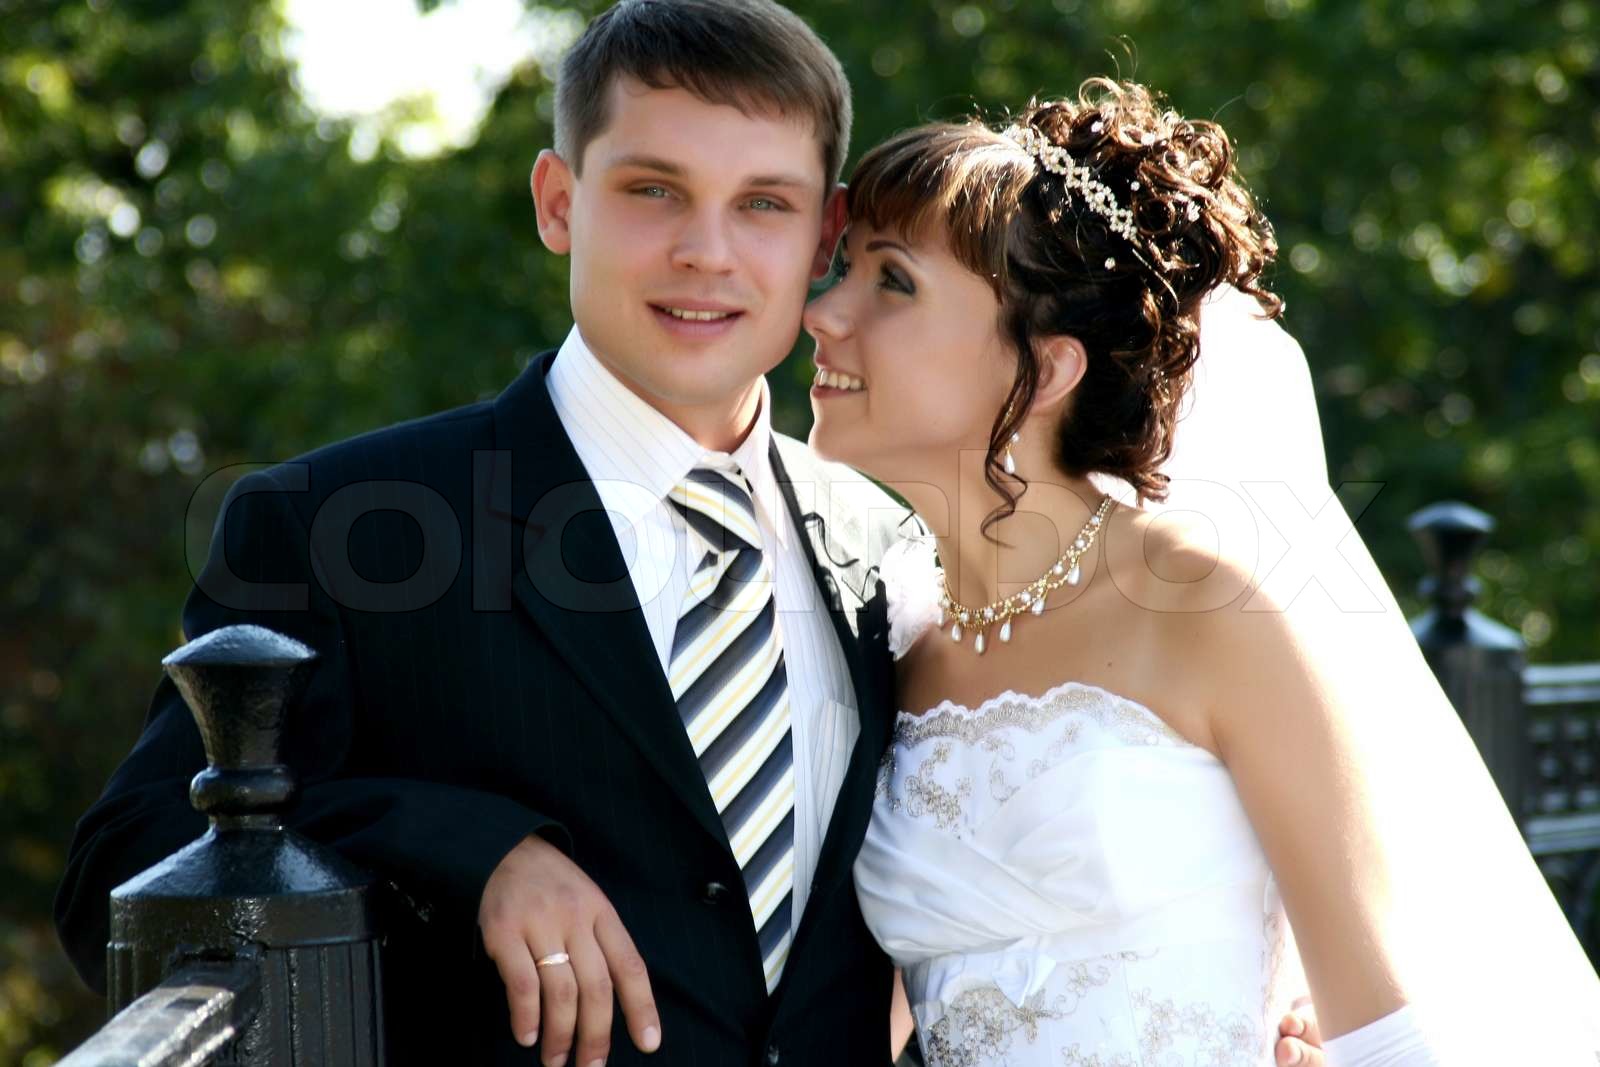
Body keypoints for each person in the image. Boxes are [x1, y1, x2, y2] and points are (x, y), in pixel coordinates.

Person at [54, 3, 1327, 1065]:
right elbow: (129, 877)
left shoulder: (894, 556)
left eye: (761, 205)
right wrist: (470, 847)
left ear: (825, 235)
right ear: (560, 200)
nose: (705, 253)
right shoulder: (339, 524)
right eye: (654, 190)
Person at [806, 78, 1600, 1065]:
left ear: (1045, 371)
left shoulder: (1201, 599)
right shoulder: (892, 637)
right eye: (841, 268)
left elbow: (1387, 1025)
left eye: (891, 280)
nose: (823, 313)